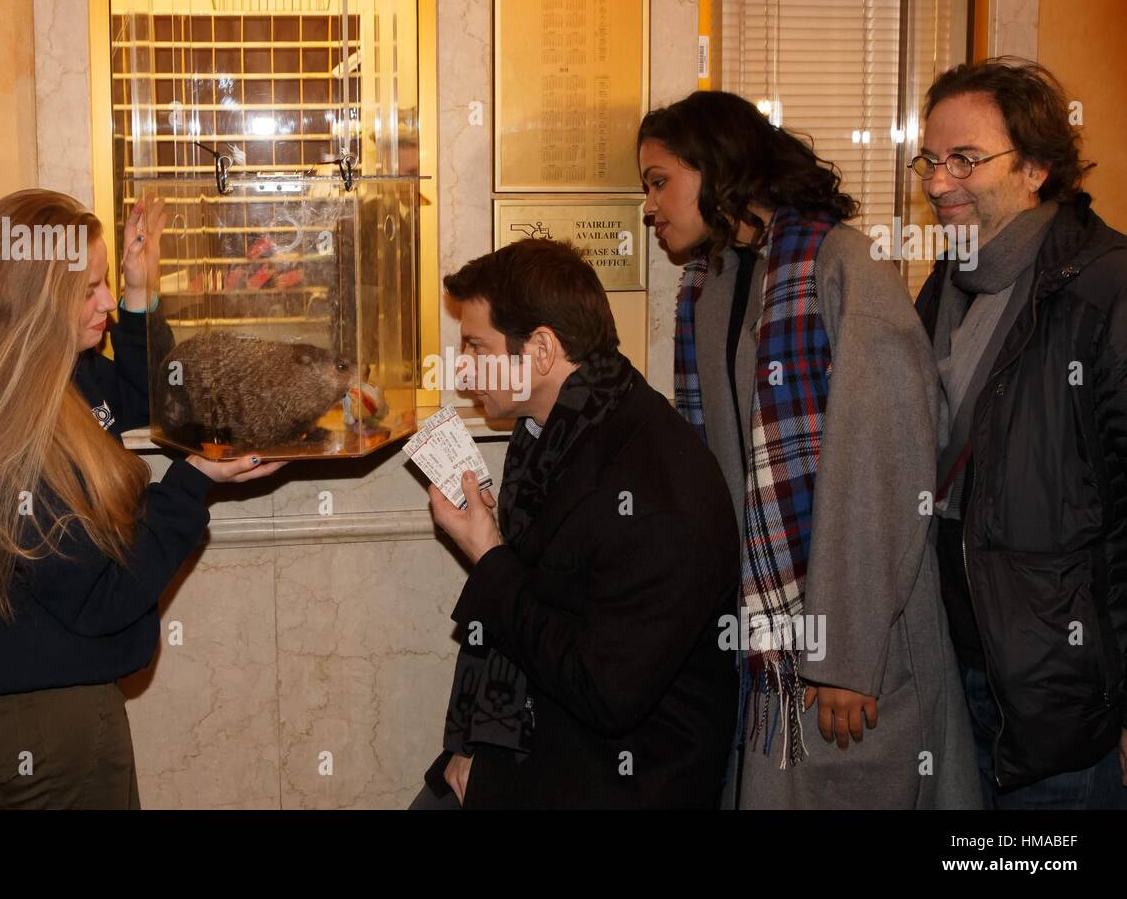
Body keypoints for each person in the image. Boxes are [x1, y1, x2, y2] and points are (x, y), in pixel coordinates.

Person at [639, 90, 980, 808]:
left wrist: (847, 658)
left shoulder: (842, 266)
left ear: (713, 167)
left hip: (858, 644)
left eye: (658, 179)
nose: (650, 204)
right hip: (768, 644)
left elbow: (884, 470)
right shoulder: (714, 283)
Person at [0, 188, 286, 809]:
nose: (106, 304)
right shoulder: (18, 430)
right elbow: (104, 595)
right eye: (89, 290)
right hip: (51, 721)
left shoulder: (61, 381)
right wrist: (193, 482)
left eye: (107, 284)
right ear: (35, 302)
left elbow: (151, 400)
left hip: (59, 708)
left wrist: (140, 291)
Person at [412, 238, 740, 808]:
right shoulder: (553, 436)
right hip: (536, 752)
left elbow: (605, 690)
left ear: (540, 349)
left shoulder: (656, 484)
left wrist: (489, 555)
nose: (462, 368)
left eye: (476, 346)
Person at [911, 57, 1127, 808]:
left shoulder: (1105, 288)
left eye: (965, 160)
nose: (938, 184)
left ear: (1036, 167)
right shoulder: (949, 280)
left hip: (1055, 693)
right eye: (930, 162)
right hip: (953, 668)